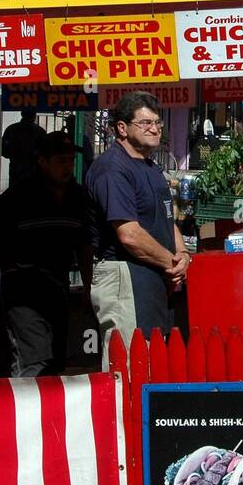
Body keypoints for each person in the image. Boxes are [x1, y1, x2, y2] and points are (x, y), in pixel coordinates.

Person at [0, 131, 94, 376]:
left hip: (58, 288)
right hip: (23, 288)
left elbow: (84, 246)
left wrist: (88, 287)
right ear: (42, 161)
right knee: (35, 360)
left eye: (70, 161)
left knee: (56, 361)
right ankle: (29, 410)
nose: (67, 167)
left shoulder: (79, 197)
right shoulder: (17, 198)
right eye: (60, 161)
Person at [86, 92, 191, 354]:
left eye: (158, 123)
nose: (155, 129)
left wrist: (183, 254)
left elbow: (168, 219)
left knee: (153, 366)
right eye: (145, 123)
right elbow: (129, 235)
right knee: (131, 369)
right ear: (121, 128)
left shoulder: (151, 167)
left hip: (151, 280)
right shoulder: (112, 169)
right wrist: (172, 264)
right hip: (125, 278)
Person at [2, 108, 47, 186]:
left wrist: (13, 156)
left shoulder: (11, 129)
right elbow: (46, 151)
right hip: (34, 170)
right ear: (34, 116)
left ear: (22, 114)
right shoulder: (40, 131)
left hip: (15, 169)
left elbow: (3, 150)